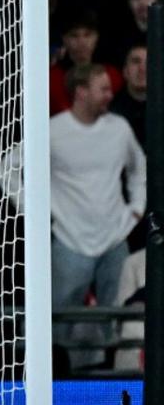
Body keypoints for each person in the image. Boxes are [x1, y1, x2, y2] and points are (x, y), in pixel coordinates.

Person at [50, 63, 146, 371]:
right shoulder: (53, 130)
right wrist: (37, 211)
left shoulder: (118, 128)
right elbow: (8, 170)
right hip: (69, 237)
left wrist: (137, 207)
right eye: (103, 88)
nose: (110, 94)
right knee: (60, 317)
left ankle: (111, 377)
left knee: (117, 318)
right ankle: (59, 377)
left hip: (114, 236)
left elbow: (139, 168)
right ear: (81, 92)